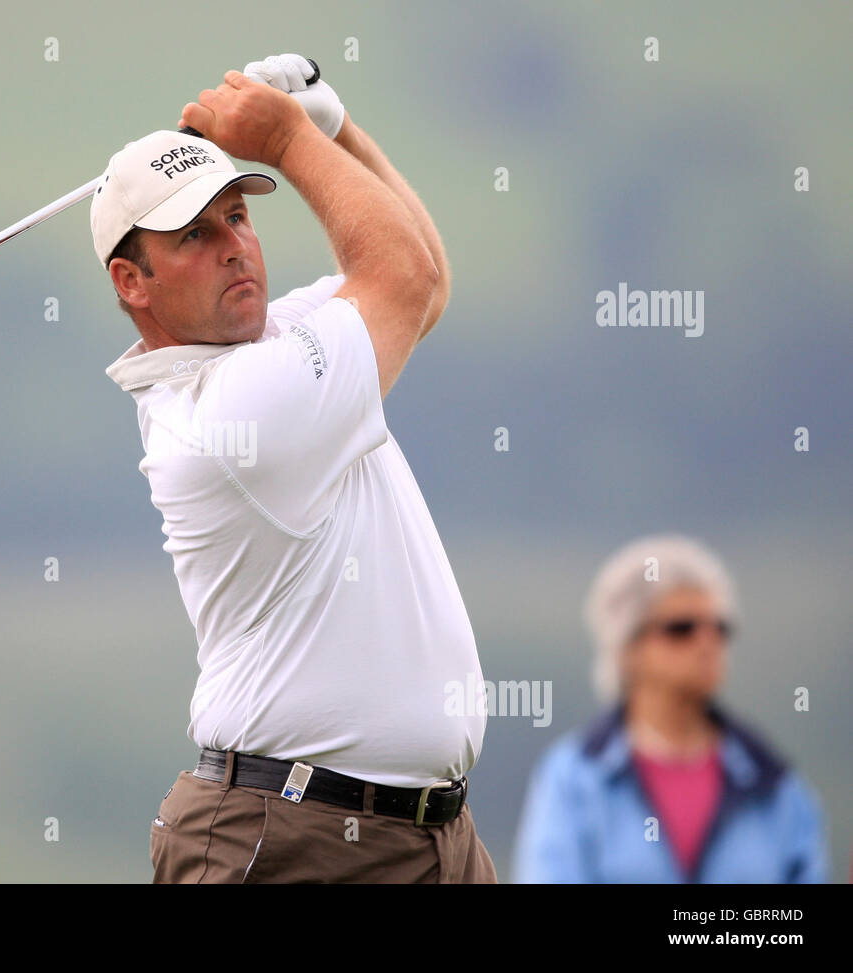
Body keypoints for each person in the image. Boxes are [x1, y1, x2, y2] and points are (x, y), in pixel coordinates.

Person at [93, 53, 494, 882]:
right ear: (133, 282)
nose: (235, 247)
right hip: (293, 839)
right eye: (196, 235)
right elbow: (401, 278)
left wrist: (334, 130)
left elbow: (428, 283)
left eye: (239, 217)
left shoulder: (271, 344)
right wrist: (287, 140)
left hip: (424, 838)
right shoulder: (233, 412)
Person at [512, 534, 830, 883]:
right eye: (681, 629)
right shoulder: (574, 781)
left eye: (720, 628)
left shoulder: (774, 786)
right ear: (627, 647)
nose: (707, 642)